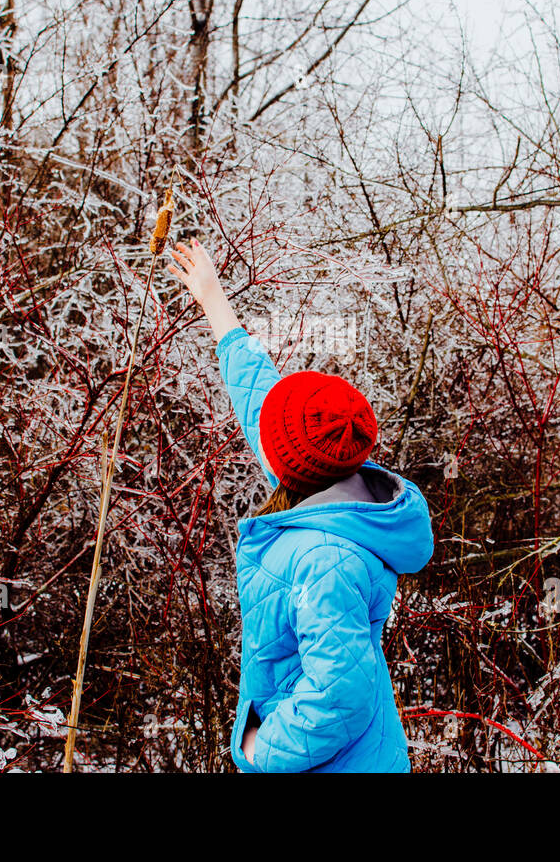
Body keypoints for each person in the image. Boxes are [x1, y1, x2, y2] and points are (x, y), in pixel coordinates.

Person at [167, 238, 435, 773]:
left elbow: (339, 698)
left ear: (289, 461)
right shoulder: (335, 489)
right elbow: (262, 401)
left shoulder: (323, 560)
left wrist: (258, 751)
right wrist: (213, 302)